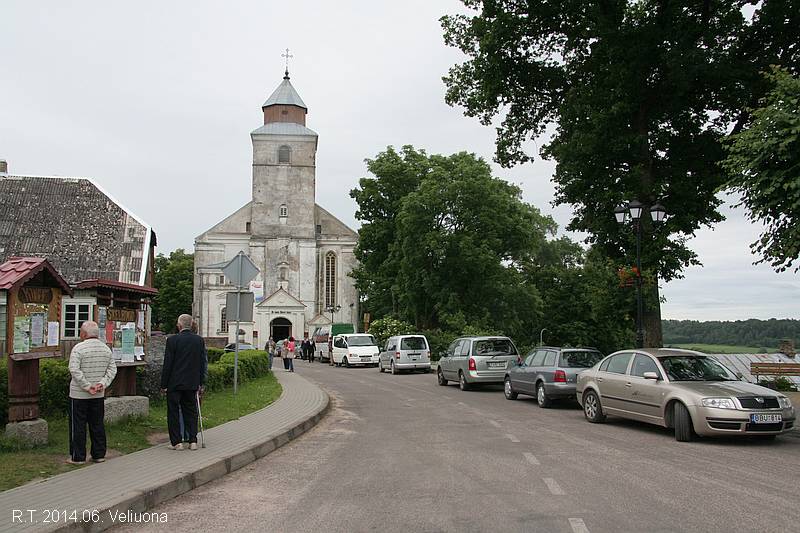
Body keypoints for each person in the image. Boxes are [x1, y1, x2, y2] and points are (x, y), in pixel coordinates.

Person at [67, 321, 117, 464]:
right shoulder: (106, 349)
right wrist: (102, 383)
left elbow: (74, 369)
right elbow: (112, 369)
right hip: (98, 394)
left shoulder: (78, 348)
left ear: (83, 334)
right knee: (97, 424)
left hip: (78, 394)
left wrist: (87, 386)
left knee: (78, 425)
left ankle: (78, 456)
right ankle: (98, 454)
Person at [161, 314, 207, 451]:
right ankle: (193, 441)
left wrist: (163, 384)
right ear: (191, 325)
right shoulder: (199, 340)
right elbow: (201, 363)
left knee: (173, 412)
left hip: (174, 383)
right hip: (192, 382)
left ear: (179, 325)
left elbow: (168, 364)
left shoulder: (172, 340)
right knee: (191, 411)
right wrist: (201, 382)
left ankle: (177, 442)